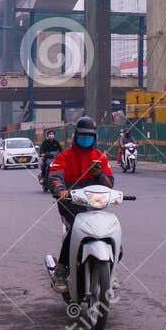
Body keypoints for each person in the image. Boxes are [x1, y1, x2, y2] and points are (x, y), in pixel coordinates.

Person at [48, 117, 113, 285]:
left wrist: (98, 174)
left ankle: (110, 271)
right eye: (83, 135)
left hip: (94, 205)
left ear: (94, 137)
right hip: (70, 204)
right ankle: (61, 270)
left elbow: (110, 184)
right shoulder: (65, 156)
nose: (86, 139)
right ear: (76, 136)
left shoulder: (99, 158)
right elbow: (55, 176)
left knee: (110, 231)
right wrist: (60, 190)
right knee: (75, 230)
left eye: (90, 136)